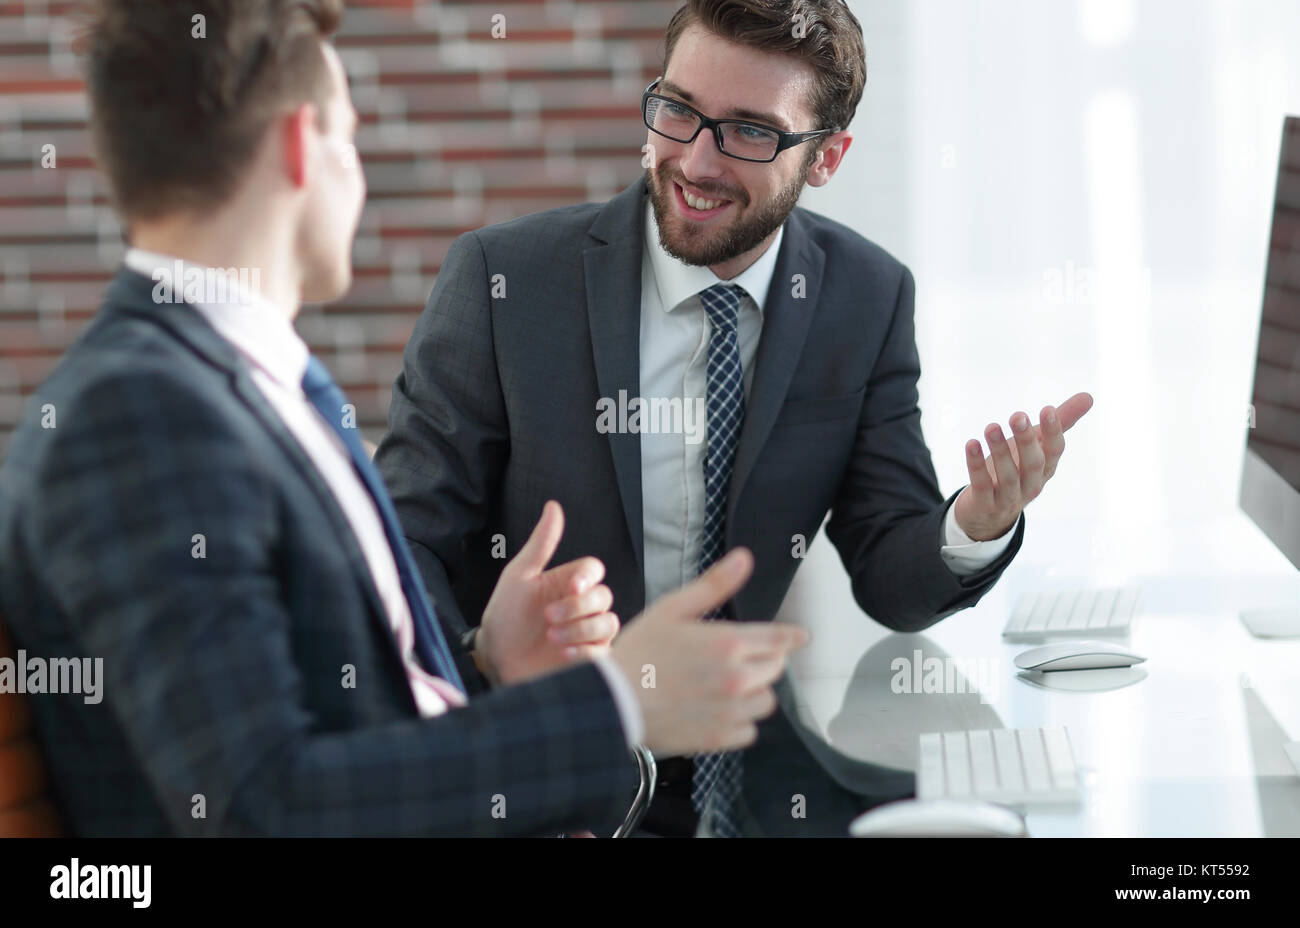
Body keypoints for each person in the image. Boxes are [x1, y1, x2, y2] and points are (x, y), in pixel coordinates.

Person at [0, 0, 808, 837]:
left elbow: (332, 725)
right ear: (298, 143)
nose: (359, 170)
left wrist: (489, 665)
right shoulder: (142, 419)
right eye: (347, 137)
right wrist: (616, 706)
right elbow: (258, 808)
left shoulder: (240, 387)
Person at [375, 0, 1093, 836]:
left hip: (758, 770)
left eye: (750, 131)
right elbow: (402, 550)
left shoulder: (866, 296)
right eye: (678, 110)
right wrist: (482, 669)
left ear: (826, 158)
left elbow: (890, 571)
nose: (695, 159)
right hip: (546, 773)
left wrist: (974, 523)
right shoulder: (505, 282)